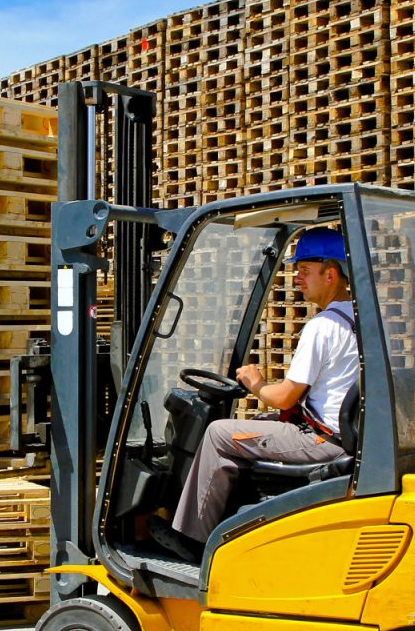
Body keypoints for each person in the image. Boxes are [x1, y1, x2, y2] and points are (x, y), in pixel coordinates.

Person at [148, 227, 360, 562]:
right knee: (257, 423)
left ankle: (191, 539)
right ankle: (231, 525)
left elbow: (285, 397)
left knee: (219, 433)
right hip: (335, 432)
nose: (298, 279)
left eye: (305, 270)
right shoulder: (355, 319)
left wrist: (255, 382)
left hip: (322, 439)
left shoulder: (323, 327)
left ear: (330, 274)